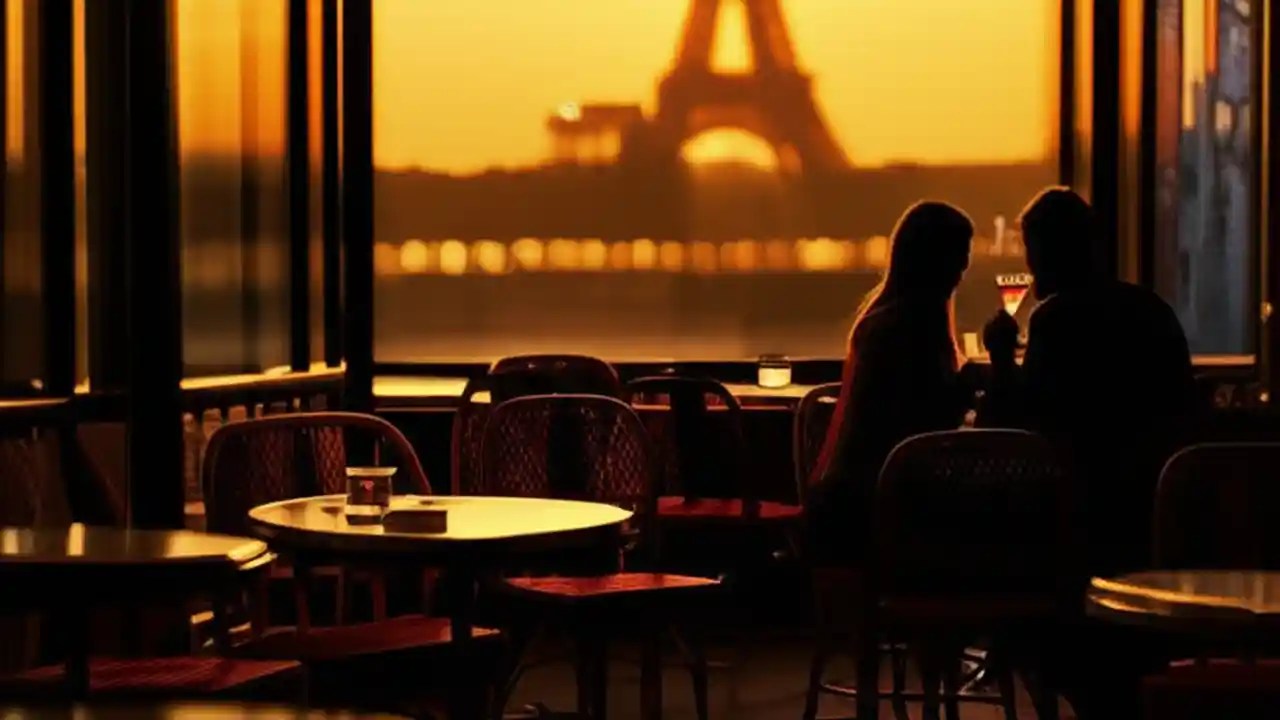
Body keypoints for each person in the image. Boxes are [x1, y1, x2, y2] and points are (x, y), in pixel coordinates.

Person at [981, 187, 1197, 720]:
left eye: (1033, 248)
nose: (1029, 265)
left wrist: (1002, 357)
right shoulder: (1151, 310)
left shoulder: (1057, 321)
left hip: (1078, 523)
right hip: (1152, 515)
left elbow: (1020, 425)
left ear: (1048, 251)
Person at [806, 201, 974, 565]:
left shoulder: (883, 325)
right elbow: (926, 421)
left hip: (857, 498)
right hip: (877, 503)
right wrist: (970, 383)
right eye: (958, 258)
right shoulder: (905, 330)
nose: (961, 272)